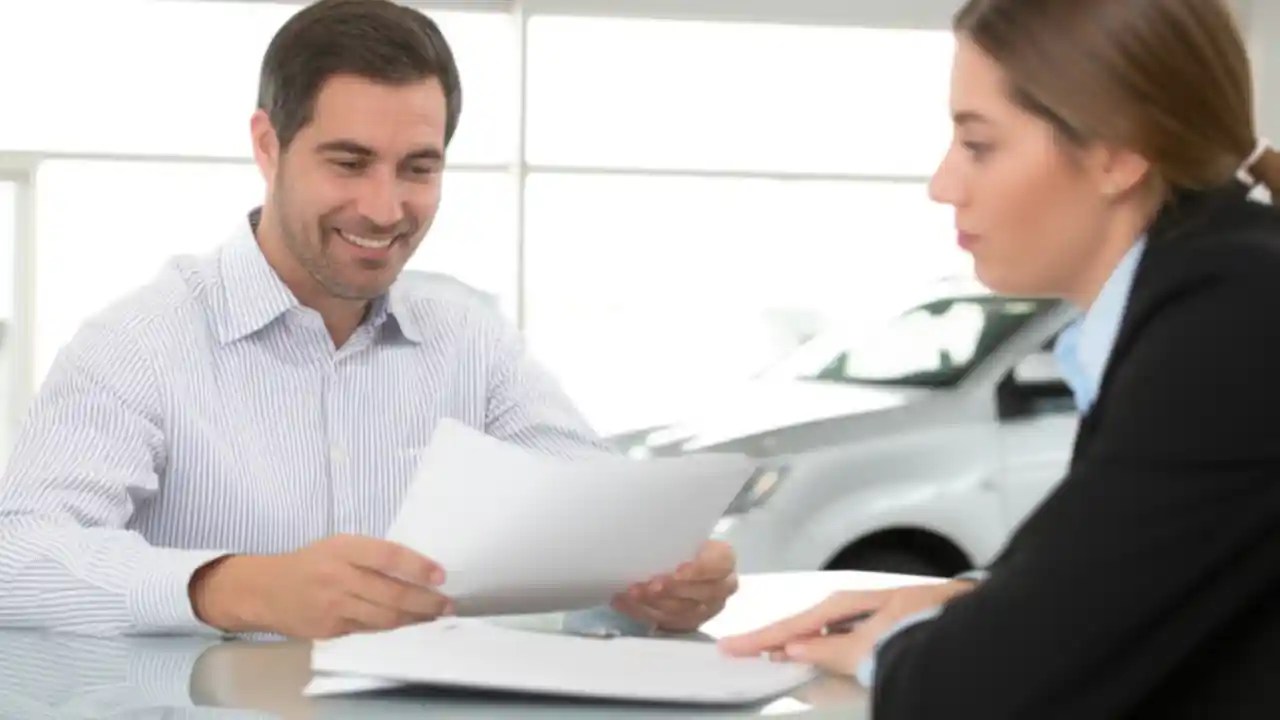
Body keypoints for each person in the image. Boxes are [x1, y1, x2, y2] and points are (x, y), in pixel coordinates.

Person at [0, 0, 737, 639]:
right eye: (349, 163)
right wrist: (240, 588)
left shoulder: (470, 340)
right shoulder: (139, 343)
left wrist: (664, 578)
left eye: (418, 168)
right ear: (268, 145)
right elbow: (19, 556)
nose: (386, 209)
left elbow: (598, 511)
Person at [721, 0, 1280, 717]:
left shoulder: (1229, 320)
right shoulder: (1214, 284)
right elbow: (1146, 574)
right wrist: (982, 601)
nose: (942, 185)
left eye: (979, 146)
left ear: (1119, 151)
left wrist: (913, 643)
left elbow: (984, 689)